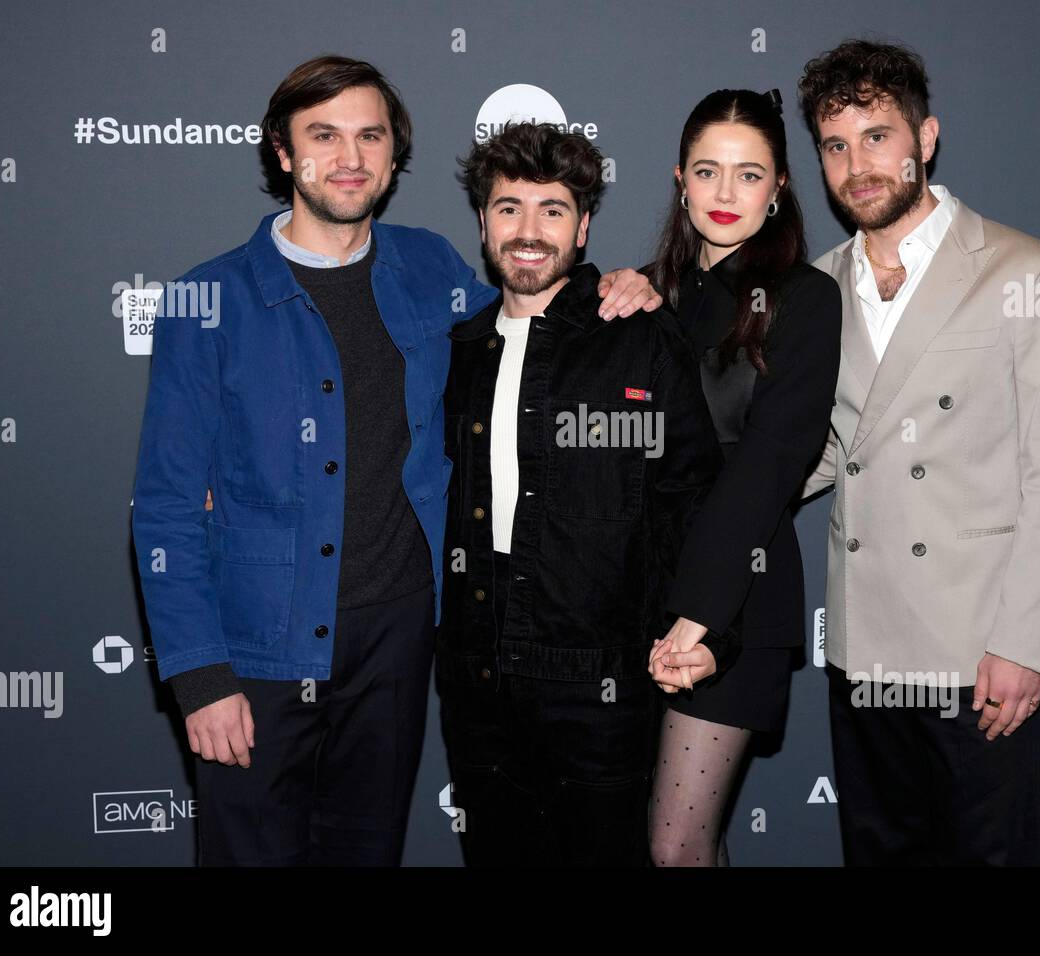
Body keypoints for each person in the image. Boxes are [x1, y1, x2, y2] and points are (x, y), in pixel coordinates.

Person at [131, 55, 656, 866]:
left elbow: (534, 314)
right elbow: (165, 504)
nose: (349, 156)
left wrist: (618, 287)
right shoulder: (209, 301)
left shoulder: (431, 270)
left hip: (399, 642)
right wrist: (200, 676)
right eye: (324, 135)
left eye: (369, 135)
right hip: (260, 645)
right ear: (282, 153)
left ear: (393, 154)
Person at [798, 39, 1040, 865]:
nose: (859, 164)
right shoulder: (818, 287)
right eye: (835, 144)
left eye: (877, 135)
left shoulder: (1024, 269)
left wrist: (1026, 646)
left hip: (978, 654)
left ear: (926, 138)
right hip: (864, 649)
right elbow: (826, 448)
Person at [436, 121, 728, 866]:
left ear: (585, 225)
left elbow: (692, 501)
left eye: (553, 210)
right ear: (482, 220)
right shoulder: (462, 350)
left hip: (600, 690)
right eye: (509, 209)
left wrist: (704, 632)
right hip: (479, 684)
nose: (529, 231)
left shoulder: (637, 337)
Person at [644, 90, 843, 866]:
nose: (726, 195)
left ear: (779, 187)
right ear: (680, 180)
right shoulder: (648, 296)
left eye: (749, 174)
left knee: (677, 846)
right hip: (637, 592)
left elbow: (771, 465)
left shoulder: (805, 298)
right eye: (708, 171)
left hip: (737, 594)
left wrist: (698, 614)